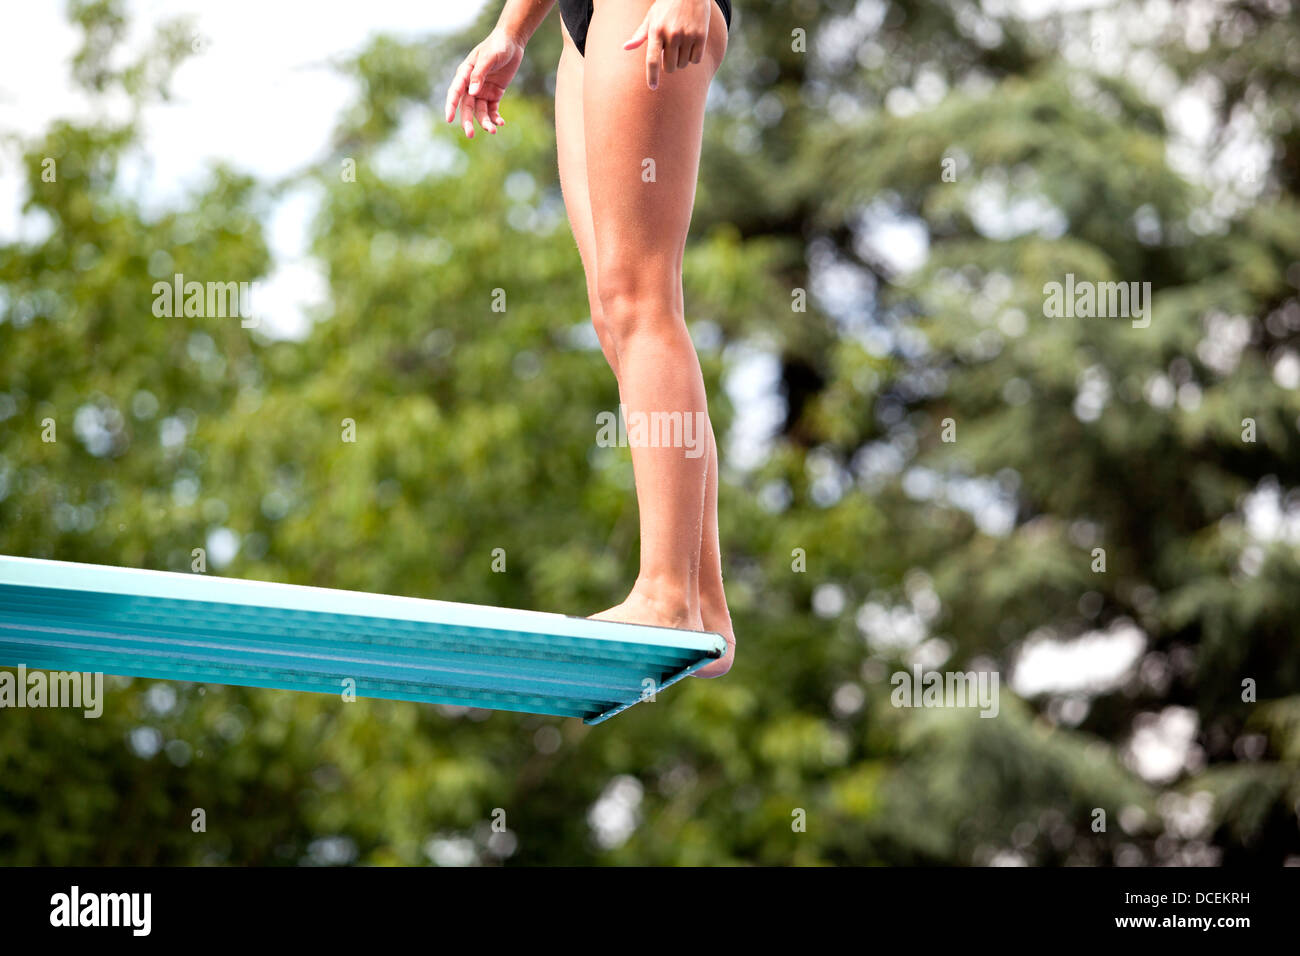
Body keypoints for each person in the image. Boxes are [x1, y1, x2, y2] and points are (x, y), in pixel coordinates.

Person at [445, 0, 735, 677]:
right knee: (613, 310)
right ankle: (702, 603)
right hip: (584, 22)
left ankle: (666, 595)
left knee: (640, 295)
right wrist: (511, 31)